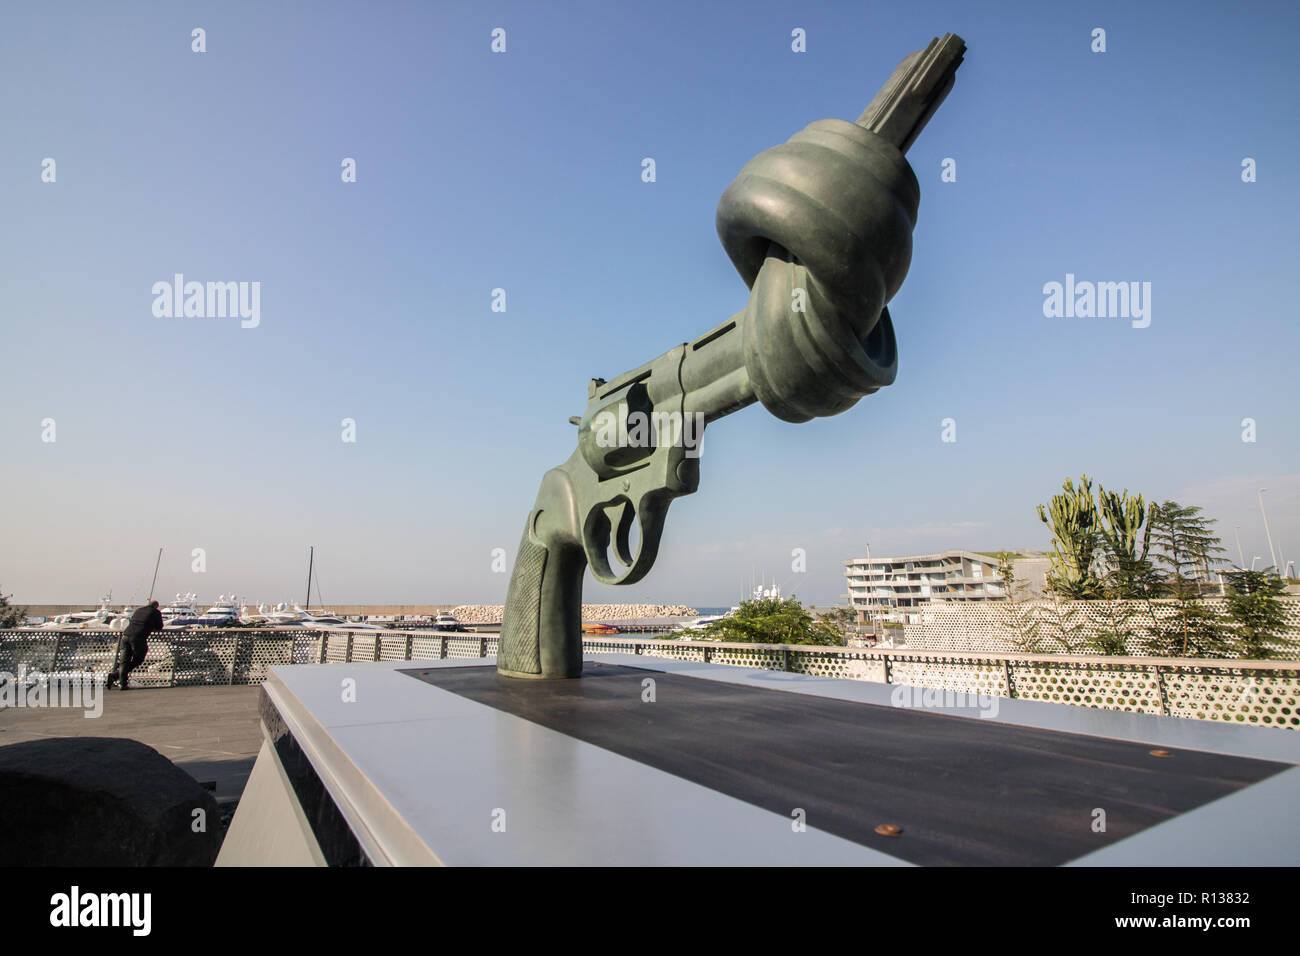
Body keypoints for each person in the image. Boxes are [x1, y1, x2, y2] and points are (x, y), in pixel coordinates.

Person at [106, 600, 164, 690]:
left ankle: (122, 683)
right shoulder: (155, 612)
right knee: (138, 659)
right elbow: (159, 626)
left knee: (124, 661)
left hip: (125, 635)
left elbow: (132, 620)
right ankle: (116, 676)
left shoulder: (139, 610)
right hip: (138, 637)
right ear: (156, 606)